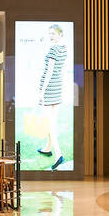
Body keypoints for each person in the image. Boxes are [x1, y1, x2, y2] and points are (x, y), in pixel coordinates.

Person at [37, 23, 69, 171]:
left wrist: (41, 93)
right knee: (52, 121)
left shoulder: (53, 49)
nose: (51, 36)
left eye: (53, 34)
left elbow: (49, 72)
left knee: (50, 125)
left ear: (60, 35)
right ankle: (47, 148)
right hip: (57, 89)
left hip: (49, 90)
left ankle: (58, 155)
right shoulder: (64, 49)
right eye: (49, 33)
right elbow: (61, 71)